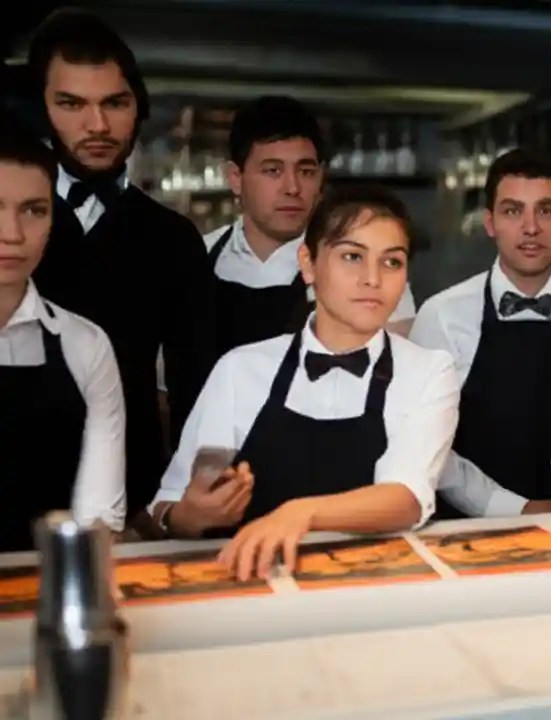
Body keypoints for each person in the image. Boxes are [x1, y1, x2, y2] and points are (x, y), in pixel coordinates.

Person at [149, 185, 460, 581]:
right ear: (308, 264)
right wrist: (191, 515)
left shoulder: (429, 371)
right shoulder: (241, 371)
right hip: (254, 586)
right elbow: (171, 506)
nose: (372, 279)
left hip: (377, 590)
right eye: (352, 256)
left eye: (392, 262)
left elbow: (405, 499)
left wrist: (300, 512)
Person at [27, 9, 217, 519]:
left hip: (133, 501)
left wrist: (177, 506)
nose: (97, 125)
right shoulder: (12, 225)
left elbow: (193, 391)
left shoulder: (173, 239)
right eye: (71, 104)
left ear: (139, 109)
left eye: (115, 103)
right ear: (41, 110)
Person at [411, 149, 551, 517]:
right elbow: (422, 440)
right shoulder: (442, 315)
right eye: (512, 211)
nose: (531, 227)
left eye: (546, 210)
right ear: (489, 222)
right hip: (468, 528)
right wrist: (514, 509)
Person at [206, 95, 416, 357]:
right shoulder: (195, 256)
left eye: (305, 172)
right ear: (236, 178)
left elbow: (395, 370)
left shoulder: (369, 270)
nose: (292, 188)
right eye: (273, 171)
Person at [0, 118, 125, 552]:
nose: (12, 235)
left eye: (33, 210)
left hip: (51, 588)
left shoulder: (86, 345)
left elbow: (98, 519)